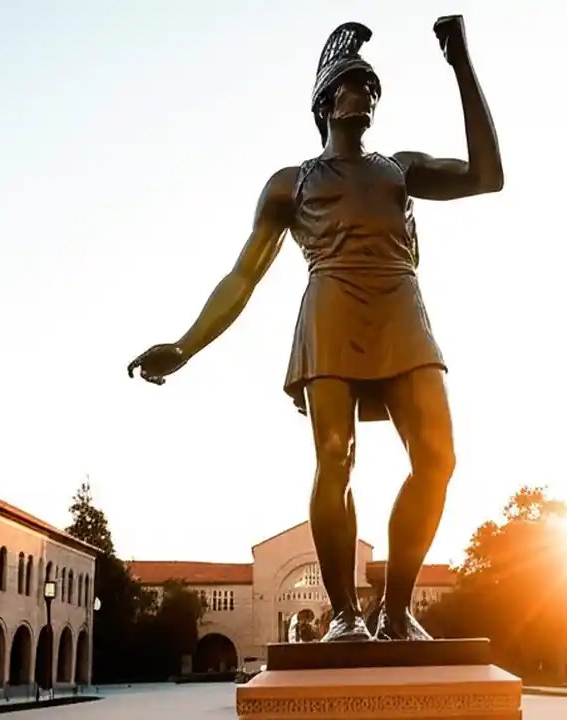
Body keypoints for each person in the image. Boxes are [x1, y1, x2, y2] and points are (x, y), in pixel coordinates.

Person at [127, 17, 503, 641]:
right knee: (336, 456)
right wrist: (186, 345)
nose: (371, 95)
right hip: (328, 310)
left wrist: (461, 64)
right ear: (328, 100)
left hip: (401, 309)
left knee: (437, 457)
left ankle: (394, 608)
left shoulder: (399, 169)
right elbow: (242, 277)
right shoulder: (290, 183)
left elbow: (486, 176)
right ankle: (347, 615)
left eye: (376, 88)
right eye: (359, 83)